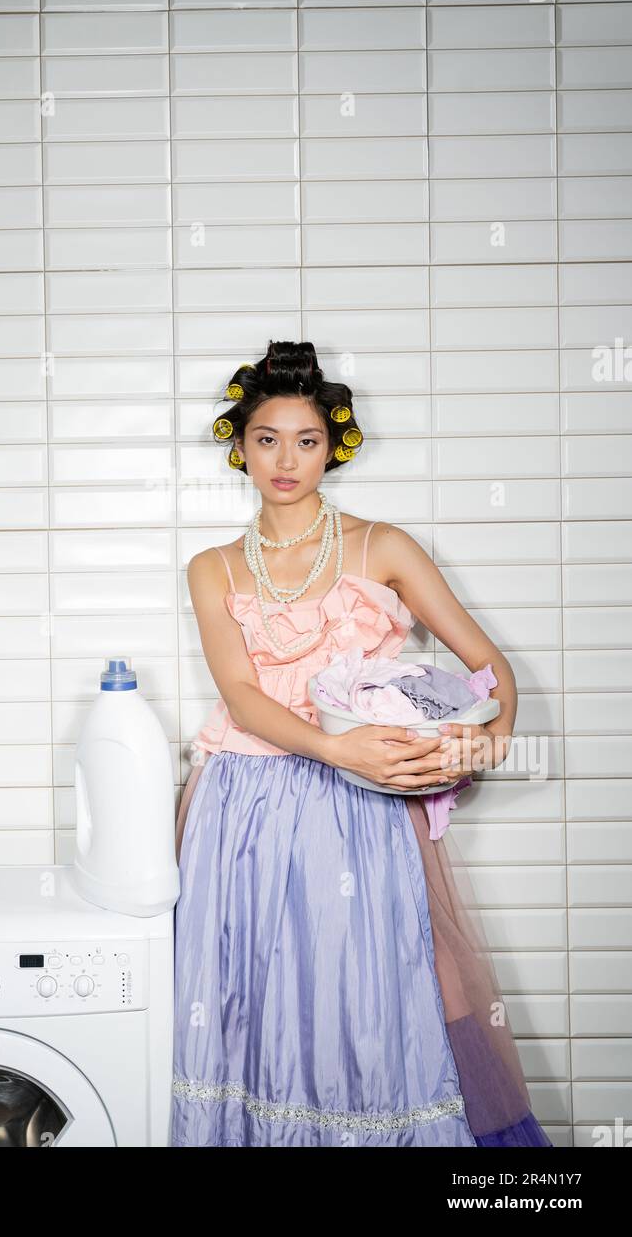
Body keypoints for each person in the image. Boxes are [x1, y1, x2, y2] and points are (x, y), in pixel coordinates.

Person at [170, 339, 553, 1148]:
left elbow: (487, 665)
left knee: (388, 983)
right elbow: (240, 694)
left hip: (364, 807)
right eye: (267, 438)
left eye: (306, 441)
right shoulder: (211, 568)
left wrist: (496, 733)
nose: (285, 459)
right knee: (256, 997)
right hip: (244, 802)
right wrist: (340, 750)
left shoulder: (384, 545)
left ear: (332, 447)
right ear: (238, 445)